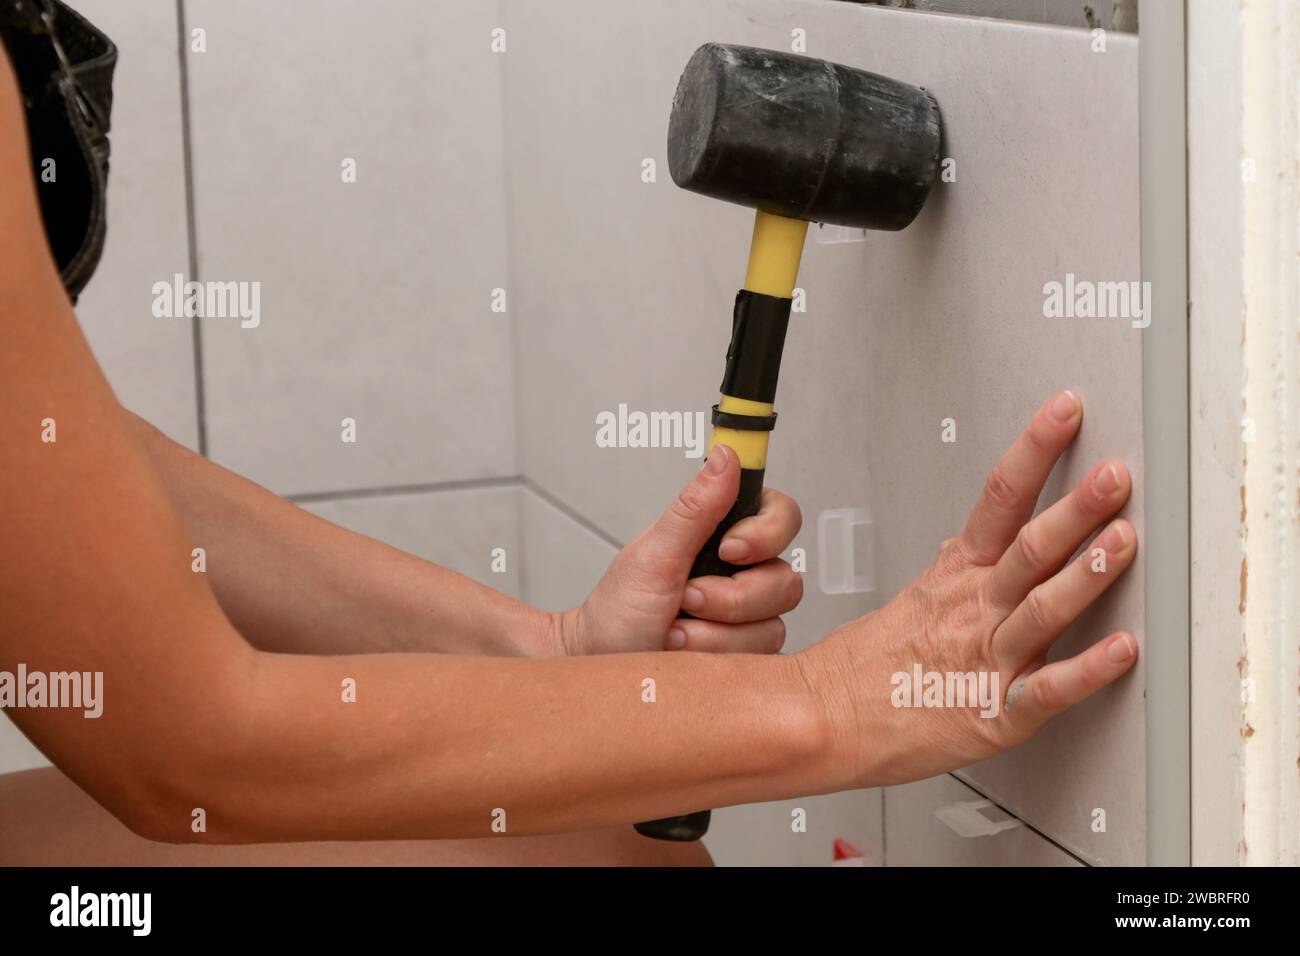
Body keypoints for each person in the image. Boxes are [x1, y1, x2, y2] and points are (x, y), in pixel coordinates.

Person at [0, 34, 1136, 867]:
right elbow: (187, 749)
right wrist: (829, 706)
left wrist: (553, 648)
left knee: (611, 845)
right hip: (168, 752)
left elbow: (70, 464)